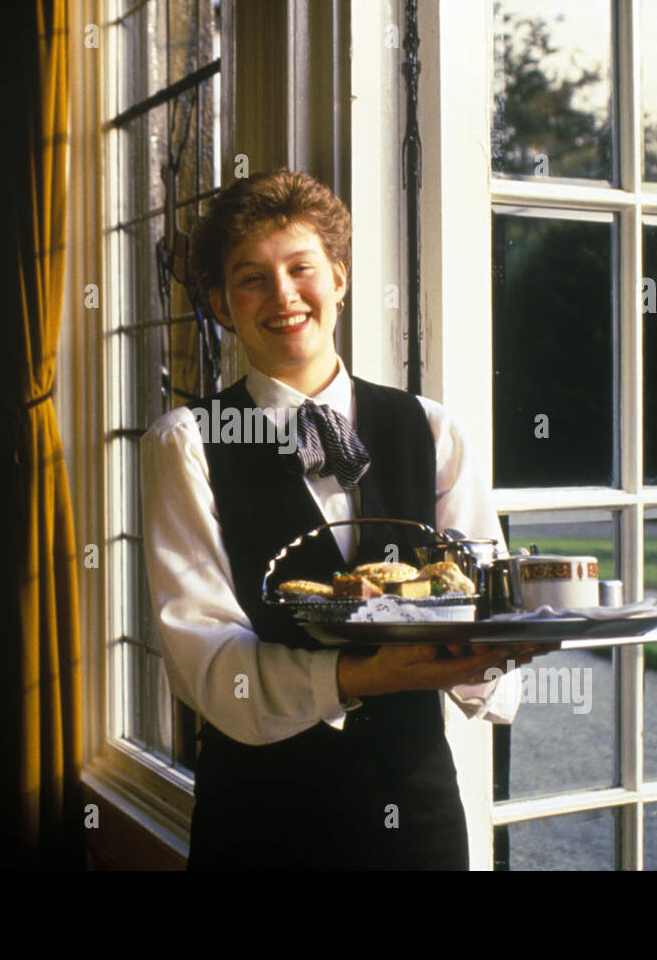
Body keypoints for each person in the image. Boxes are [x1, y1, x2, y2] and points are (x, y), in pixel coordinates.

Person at [140, 168, 538, 870]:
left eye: (301, 268)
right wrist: (362, 675)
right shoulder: (185, 441)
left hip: (417, 819)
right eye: (251, 278)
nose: (284, 296)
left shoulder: (431, 428)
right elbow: (207, 666)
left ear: (341, 278)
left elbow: (487, 611)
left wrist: (493, 654)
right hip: (259, 824)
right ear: (222, 305)